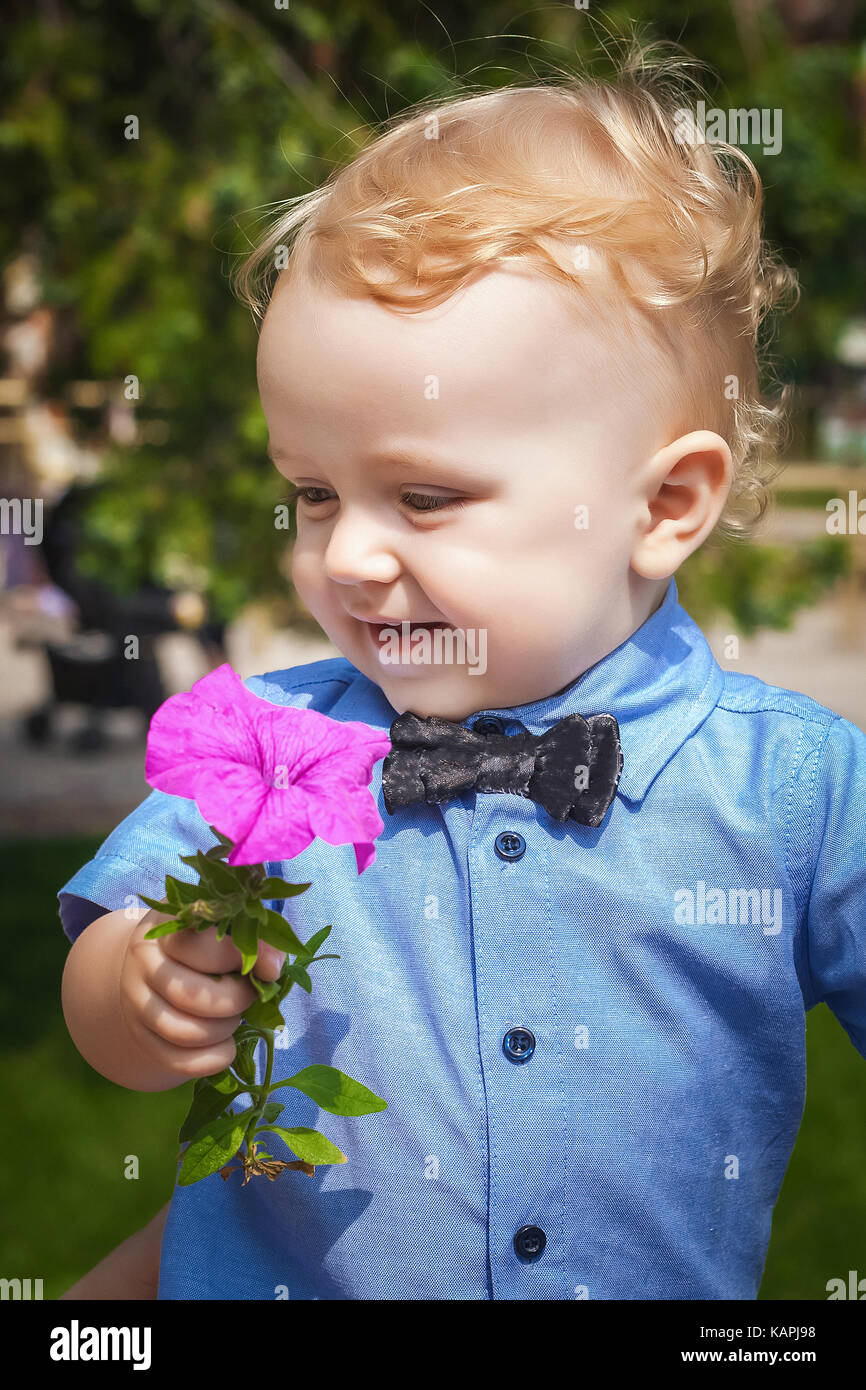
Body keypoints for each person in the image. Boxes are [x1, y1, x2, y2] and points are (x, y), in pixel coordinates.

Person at [55, 40, 866, 1300]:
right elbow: (107, 974)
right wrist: (142, 983)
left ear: (664, 503)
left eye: (423, 495)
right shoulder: (272, 739)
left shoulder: (792, 789)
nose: (351, 556)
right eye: (313, 493)